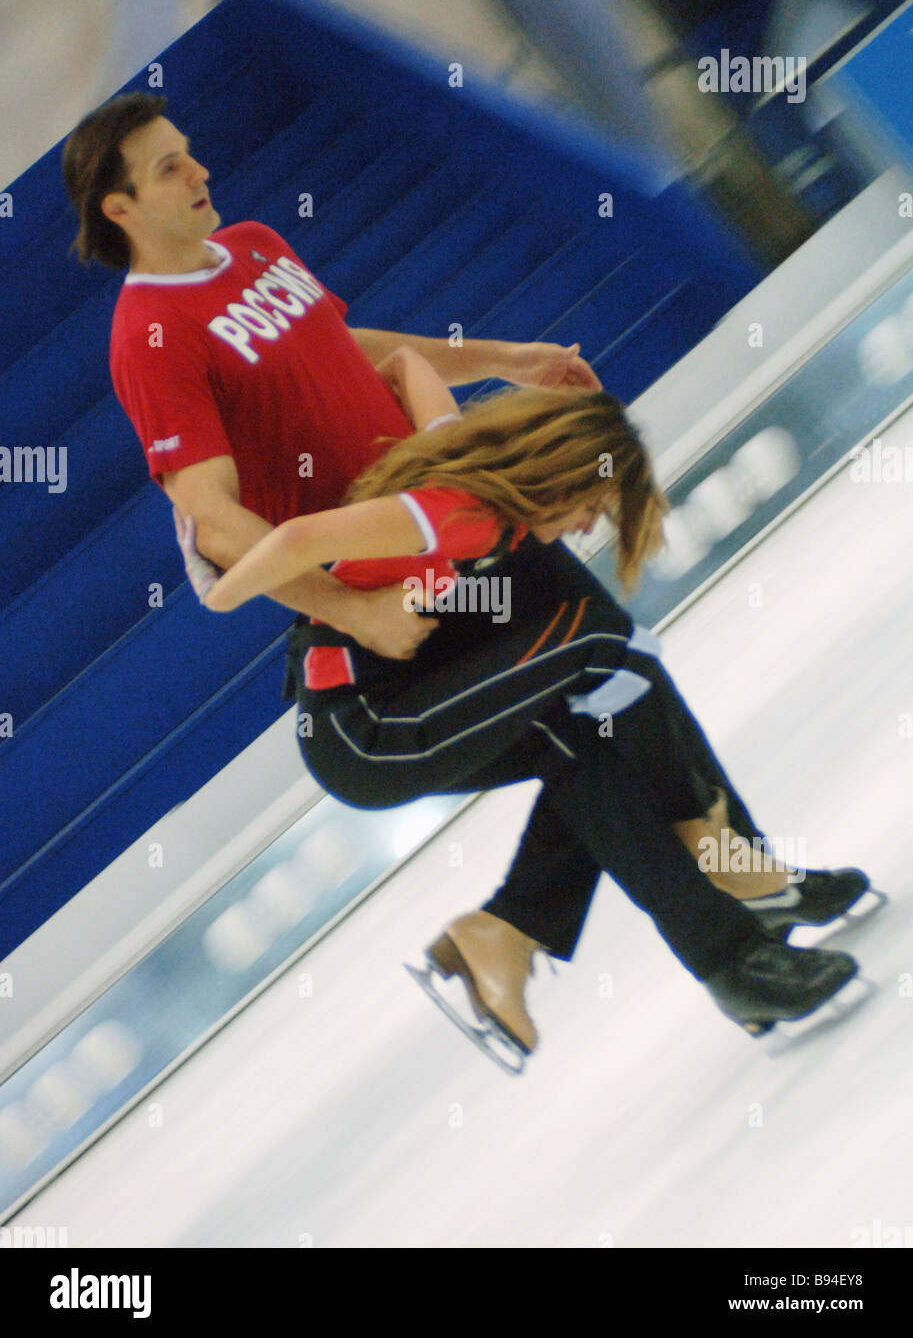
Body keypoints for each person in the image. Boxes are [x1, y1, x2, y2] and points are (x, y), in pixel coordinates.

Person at [62, 91, 870, 1063]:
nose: (198, 173)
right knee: (596, 687)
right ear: (120, 210)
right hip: (382, 610)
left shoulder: (258, 245)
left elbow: (351, 351)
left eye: (189, 154)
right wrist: (352, 607)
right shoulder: (148, 337)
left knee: (621, 678)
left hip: (445, 548)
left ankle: (723, 885)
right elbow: (221, 526)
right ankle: (734, 958)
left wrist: (504, 360)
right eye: (167, 169)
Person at [184, 342, 868, 1056]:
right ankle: (710, 843)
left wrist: (507, 364)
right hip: (363, 730)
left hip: (412, 693)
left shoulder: (472, 478)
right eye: (588, 507)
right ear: (558, 477)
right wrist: (222, 593)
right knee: (605, 646)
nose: (584, 528)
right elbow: (297, 537)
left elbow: (405, 366)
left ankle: (551, 935)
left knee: (588, 741)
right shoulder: (452, 513)